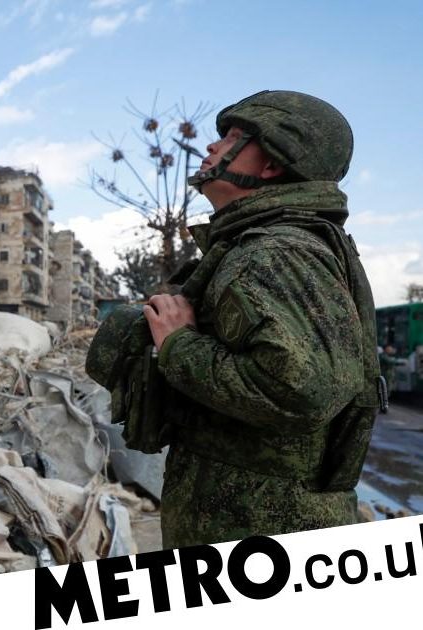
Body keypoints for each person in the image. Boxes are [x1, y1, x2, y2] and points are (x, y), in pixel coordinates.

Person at [140, 91, 382, 548]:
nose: (212, 147)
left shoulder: (274, 252)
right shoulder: (269, 244)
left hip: (262, 530)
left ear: (271, 165)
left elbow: (300, 392)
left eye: (233, 138)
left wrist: (179, 343)